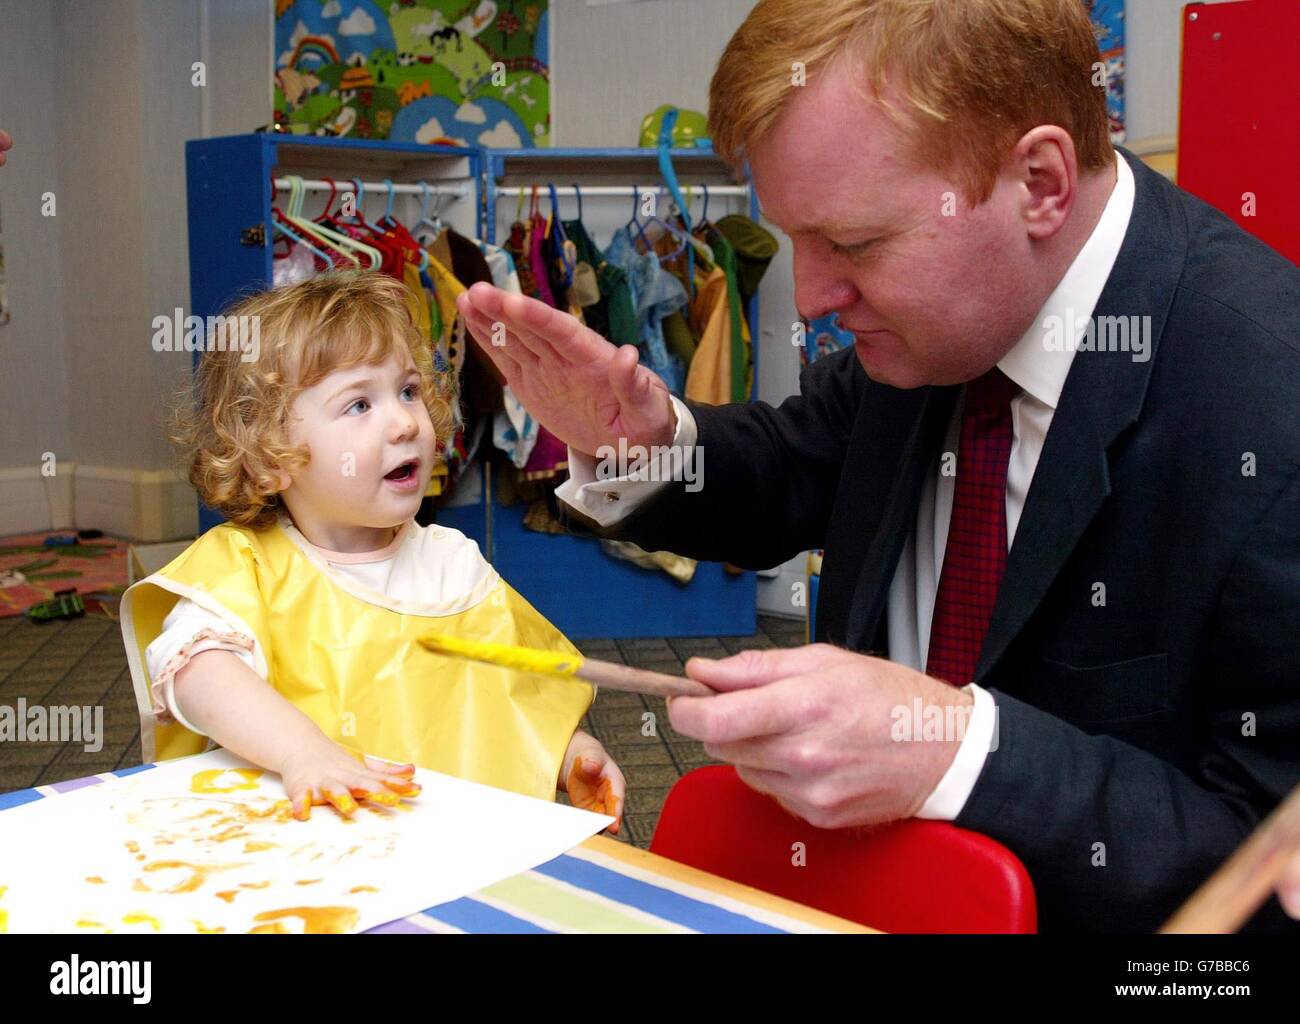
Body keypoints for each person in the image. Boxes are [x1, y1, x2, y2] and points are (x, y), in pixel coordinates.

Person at [457, 0, 1300, 931]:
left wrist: (955, 749)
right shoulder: (937, 324)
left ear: (1041, 181)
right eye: (795, 238)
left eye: (855, 245)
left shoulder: (1269, 399)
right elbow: (797, 466)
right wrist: (640, 445)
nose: (813, 297)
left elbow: (1269, 864)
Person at [120, 271, 624, 830]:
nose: (406, 422)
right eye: (358, 404)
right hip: (319, 859)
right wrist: (300, 752)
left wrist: (568, 752)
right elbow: (196, 674)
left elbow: (513, 693)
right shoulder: (245, 570)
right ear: (268, 455)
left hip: (459, 847)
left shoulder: (453, 566)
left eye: (408, 390)